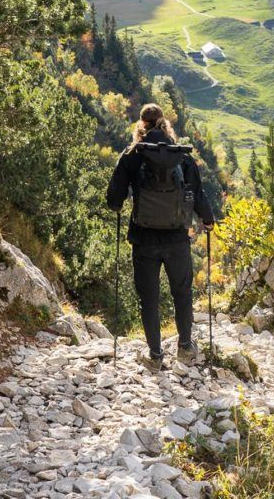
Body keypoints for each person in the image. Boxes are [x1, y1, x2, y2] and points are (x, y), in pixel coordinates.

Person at [106, 102, 215, 371]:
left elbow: (113, 199)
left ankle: (155, 355)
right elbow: (198, 195)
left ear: (141, 125)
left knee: (149, 298)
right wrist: (208, 220)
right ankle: (185, 347)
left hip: (144, 240)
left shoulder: (132, 155)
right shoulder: (183, 156)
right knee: (182, 292)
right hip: (177, 238)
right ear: (165, 124)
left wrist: (121, 203)